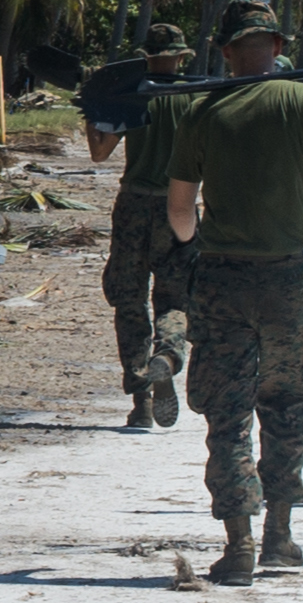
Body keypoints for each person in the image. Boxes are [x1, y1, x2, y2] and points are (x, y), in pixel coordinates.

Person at [164, 0, 303, 586]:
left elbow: (180, 212)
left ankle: (238, 544)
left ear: (227, 51)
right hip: (285, 280)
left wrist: (194, 243)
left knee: (228, 415)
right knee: (285, 402)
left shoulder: (202, 112)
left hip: (222, 279)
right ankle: (281, 535)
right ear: (279, 47)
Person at [86, 23, 197, 429]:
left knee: (129, 301)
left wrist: (92, 109)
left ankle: (141, 400)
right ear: (182, 57)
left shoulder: (133, 96)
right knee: (173, 297)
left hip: (133, 203)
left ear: (146, 55)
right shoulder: (193, 99)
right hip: (178, 204)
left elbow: (100, 153)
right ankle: (166, 356)